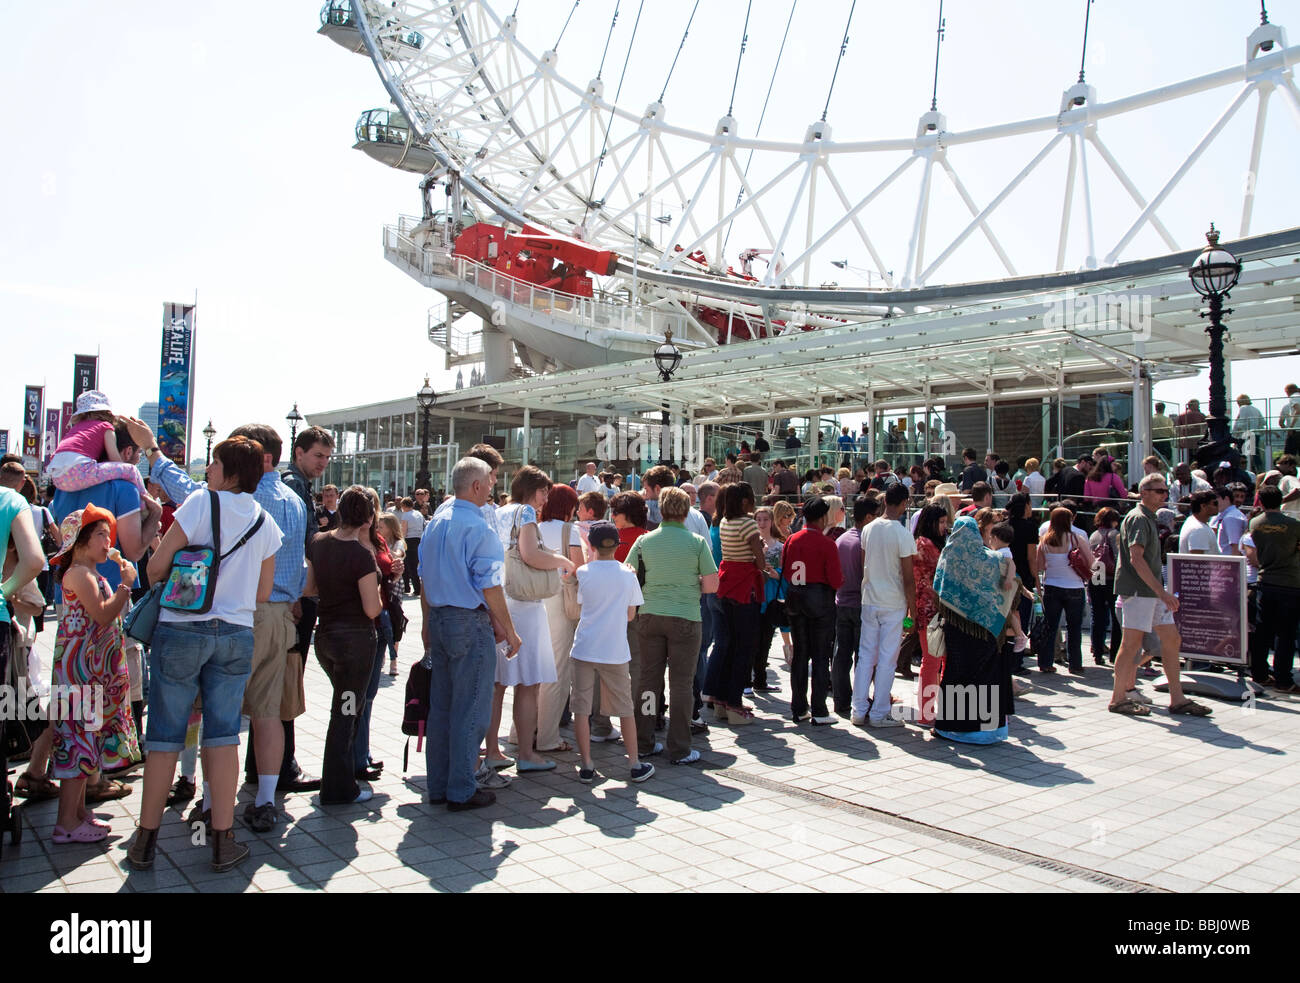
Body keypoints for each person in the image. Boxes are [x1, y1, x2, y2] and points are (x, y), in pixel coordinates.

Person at [127, 436, 284, 872]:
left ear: (229, 470)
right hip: (236, 633)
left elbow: (156, 568)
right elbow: (264, 591)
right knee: (224, 735)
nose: (208, 471)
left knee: (164, 735)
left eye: (214, 463)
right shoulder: (264, 521)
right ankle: (222, 840)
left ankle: (144, 841)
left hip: (182, 629)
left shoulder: (200, 503)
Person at [421, 457, 521, 811]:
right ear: (476, 486)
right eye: (490, 484)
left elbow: (423, 577)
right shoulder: (479, 528)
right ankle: (461, 788)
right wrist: (509, 630)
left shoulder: (436, 522)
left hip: (441, 619)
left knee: (443, 708)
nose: (493, 489)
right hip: (468, 620)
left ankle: (439, 784)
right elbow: (490, 585)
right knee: (472, 709)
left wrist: (425, 623)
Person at [47, 506, 139, 845]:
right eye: (101, 534)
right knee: (77, 746)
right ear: (80, 540)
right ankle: (66, 823)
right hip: (79, 675)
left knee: (86, 745)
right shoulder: (80, 573)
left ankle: (78, 814)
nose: (108, 541)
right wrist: (126, 586)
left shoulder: (88, 572)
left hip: (89, 674)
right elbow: (102, 616)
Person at [485, 467, 576, 775]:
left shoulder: (500, 510)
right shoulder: (524, 512)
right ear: (532, 490)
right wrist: (563, 561)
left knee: (497, 683)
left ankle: (493, 751)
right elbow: (529, 555)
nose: (545, 499)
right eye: (543, 492)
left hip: (500, 597)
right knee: (528, 682)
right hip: (524, 604)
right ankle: (526, 753)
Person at [1107, 473, 1211, 716]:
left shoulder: (1146, 518)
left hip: (1149, 592)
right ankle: (1118, 698)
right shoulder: (1139, 518)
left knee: (1171, 640)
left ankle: (1177, 698)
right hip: (1139, 591)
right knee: (1131, 644)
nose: (1164, 494)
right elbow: (1136, 558)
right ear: (1144, 493)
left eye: (1165, 491)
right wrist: (1162, 593)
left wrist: (1160, 593)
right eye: (1159, 491)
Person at [627, 487, 717, 765]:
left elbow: (629, 575)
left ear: (661, 509)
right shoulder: (697, 542)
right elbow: (712, 584)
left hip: (650, 615)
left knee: (648, 682)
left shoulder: (644, 542)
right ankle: (679, 746)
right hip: (686, 616)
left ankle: (644, 741)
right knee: (681, 683)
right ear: (686, 510)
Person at [570, 522, 652, 783]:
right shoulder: (627, 574)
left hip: (584, 646)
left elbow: (580, 605)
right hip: (615, 649)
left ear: (591, 546)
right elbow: (630, 615)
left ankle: (586, 764)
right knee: (625, 708)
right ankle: (634, 763)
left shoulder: (583, 572)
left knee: (581, 708)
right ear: (617, 546)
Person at [278, 424, 335, 793]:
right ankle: (283, 764)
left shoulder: (297, 483)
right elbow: (295, 545)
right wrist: (299, 595)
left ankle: (270, 763)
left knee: (282, 682)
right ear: (298, 452)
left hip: (292, 594)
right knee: (286, 684)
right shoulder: (293, 485)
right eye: (318, 456)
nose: (323, 464)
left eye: (327, 458)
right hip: (294, 596)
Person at [932, 516, 1017, 744]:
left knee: (956, 675)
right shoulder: (991, 559)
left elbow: (938, 589)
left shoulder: (948, 556)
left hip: (956, 629)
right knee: (985, 676)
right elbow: (1011, 571)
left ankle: (952, 728)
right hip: (985, 629)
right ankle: (987, 729)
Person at [521, 483, 586, 755]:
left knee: (531, 671)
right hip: (559, 602)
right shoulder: (569, 530)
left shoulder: (531, 528)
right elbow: (579, 568)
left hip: (531, 601)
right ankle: (547, 737)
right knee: (556, 670)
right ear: (569, 506)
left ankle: (520, 733)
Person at [705, 483, 772, 725]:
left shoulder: (724, 522)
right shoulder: (747, 523)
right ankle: (734, 703)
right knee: (745, 646)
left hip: (727, 584)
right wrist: (761, 552)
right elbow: (760, 561)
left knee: (730, 644)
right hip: (745, 587)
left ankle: (722, 700)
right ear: (745, 501)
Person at [852, 483, 917, 728]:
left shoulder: (868, 529)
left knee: (866, 656)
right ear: (903, 503)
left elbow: (863, 564)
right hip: (893, 602)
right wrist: (913, 613)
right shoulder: (902, 533)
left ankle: (859, 709)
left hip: (870, 599)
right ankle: (879, 713)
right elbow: (908, 579)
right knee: (888, 659)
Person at [46, 391, 161, 524]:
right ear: (107, 412)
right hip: (79, 471)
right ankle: (145, 507)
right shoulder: (106, 427)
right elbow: (115, 459)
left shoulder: (76, 429)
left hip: (58, 478)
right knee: (131, 470)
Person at [783, 497, 843, 725]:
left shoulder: (792, 539)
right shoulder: (827, 543)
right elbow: (836, 579)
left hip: (796, 599)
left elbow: (787, 570)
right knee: (820, 656)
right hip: (820, 601)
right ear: (822, 517)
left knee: (800, 655)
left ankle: (798, 707)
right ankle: (819, 709)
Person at [1249, 485, 1300, 692]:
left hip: (1265, 580)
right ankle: (1283, 680)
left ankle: (1259, 674)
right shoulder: (1294, 524)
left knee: (1263, 631)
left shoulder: (1255, 523)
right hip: (1290, 582)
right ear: (1281, 500)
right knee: (1285, 634)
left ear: (1260, 501)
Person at [833, 495, 877, 717]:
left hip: (841, 602)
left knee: (842, 654)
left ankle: (841, 700)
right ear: (868, 517)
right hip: (861, 604)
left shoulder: (841, 540)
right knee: (863, 655)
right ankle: (860, 699)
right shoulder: (865, 541)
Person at [1035, 507, 1089, 676]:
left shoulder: (1044, 541)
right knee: (1074, 628)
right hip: (1074, 587)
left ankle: (1045, 663)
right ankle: (1075, 664)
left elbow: (1039, 566)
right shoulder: (1076, 538)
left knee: (1050, 626)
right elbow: (1091, 560)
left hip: (1052, 586)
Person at [1087, 507, 1123, 666]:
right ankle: (1115, 654)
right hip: (1112, 578)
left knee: (1097, 615)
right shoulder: (1115, 535)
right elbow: (1120, 558)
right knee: (1116, 618)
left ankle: (1097, 651)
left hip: (1096, 576)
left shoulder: (1093, 535)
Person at [398, 498, 425, 596]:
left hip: (409, 540)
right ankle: (417, 587)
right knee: (416, 564)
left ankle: (410, 588)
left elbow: (404, 530)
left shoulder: (406, 515)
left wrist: (401, 541)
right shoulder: (418, 514)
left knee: (409, 565)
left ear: (404, 506)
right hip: (419, 539)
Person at [1231, 395, 1265, 471]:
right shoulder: (1256, 409)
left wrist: (1235, 434)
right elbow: (1262, 422)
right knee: (1255, 453)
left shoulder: (1243, 408)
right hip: (1255, 434)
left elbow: (1241, 422)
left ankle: (1244, 470)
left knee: (1242, 454)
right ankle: (1258, 470)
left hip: (1245, 434)